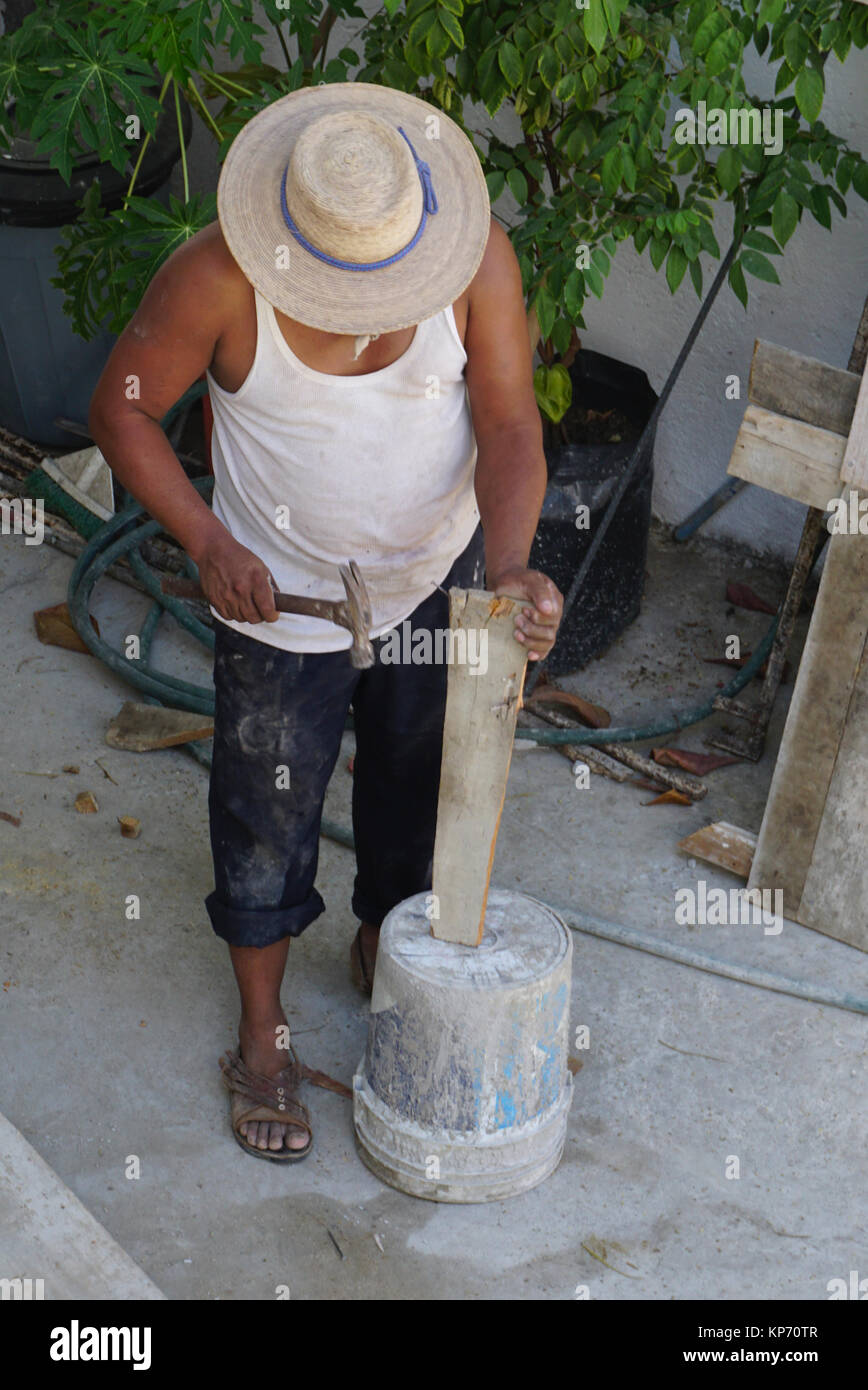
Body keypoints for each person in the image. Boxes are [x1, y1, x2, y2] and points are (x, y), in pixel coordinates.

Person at [88, 82, 563, 1162]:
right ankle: (263, 1033)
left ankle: (381, 935)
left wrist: (508, 569)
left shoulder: (474, 259)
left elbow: (506, 419)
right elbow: (120, 406)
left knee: (414, 778)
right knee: (264, 816)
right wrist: (209, 544)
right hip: (281, 606)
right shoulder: (219, 276)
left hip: (433, 580)